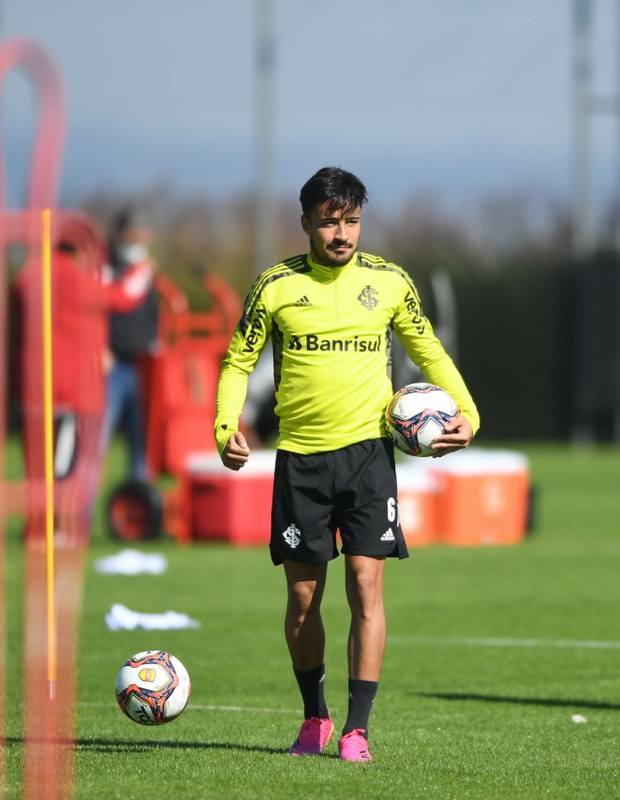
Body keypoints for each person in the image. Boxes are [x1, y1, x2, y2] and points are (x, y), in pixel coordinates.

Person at [213, 167, 479, 762]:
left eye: (351, 221)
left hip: (368, 457)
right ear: (306, 221)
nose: (341, 233)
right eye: (330, 221)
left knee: (366, 586)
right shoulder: (275, 286)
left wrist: (469, 414)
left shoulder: (389, 283)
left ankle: (357, 728)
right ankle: (315, 717)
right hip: (301, 461)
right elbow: (237, 361)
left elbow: (427, 348)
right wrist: (225, 427)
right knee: (304, 598)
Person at [14, 238, 151, 544]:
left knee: (37, 465)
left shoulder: (27, 277)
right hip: (67, 391)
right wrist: (142, 270)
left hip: (30, 388)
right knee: (62, 466)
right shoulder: (76, 279)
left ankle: (37, 526)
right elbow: (124, 298)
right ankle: (52, 529)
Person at [101, 213, 159, 482]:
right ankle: (77, 516)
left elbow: (151, 313)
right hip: (110, 367)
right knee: (97, 443)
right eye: (135, 235)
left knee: (143, 447)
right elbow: (111, 303)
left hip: (142, 367)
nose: (140, 241)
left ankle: (137, 512)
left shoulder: (145, 272)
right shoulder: (104, 266)